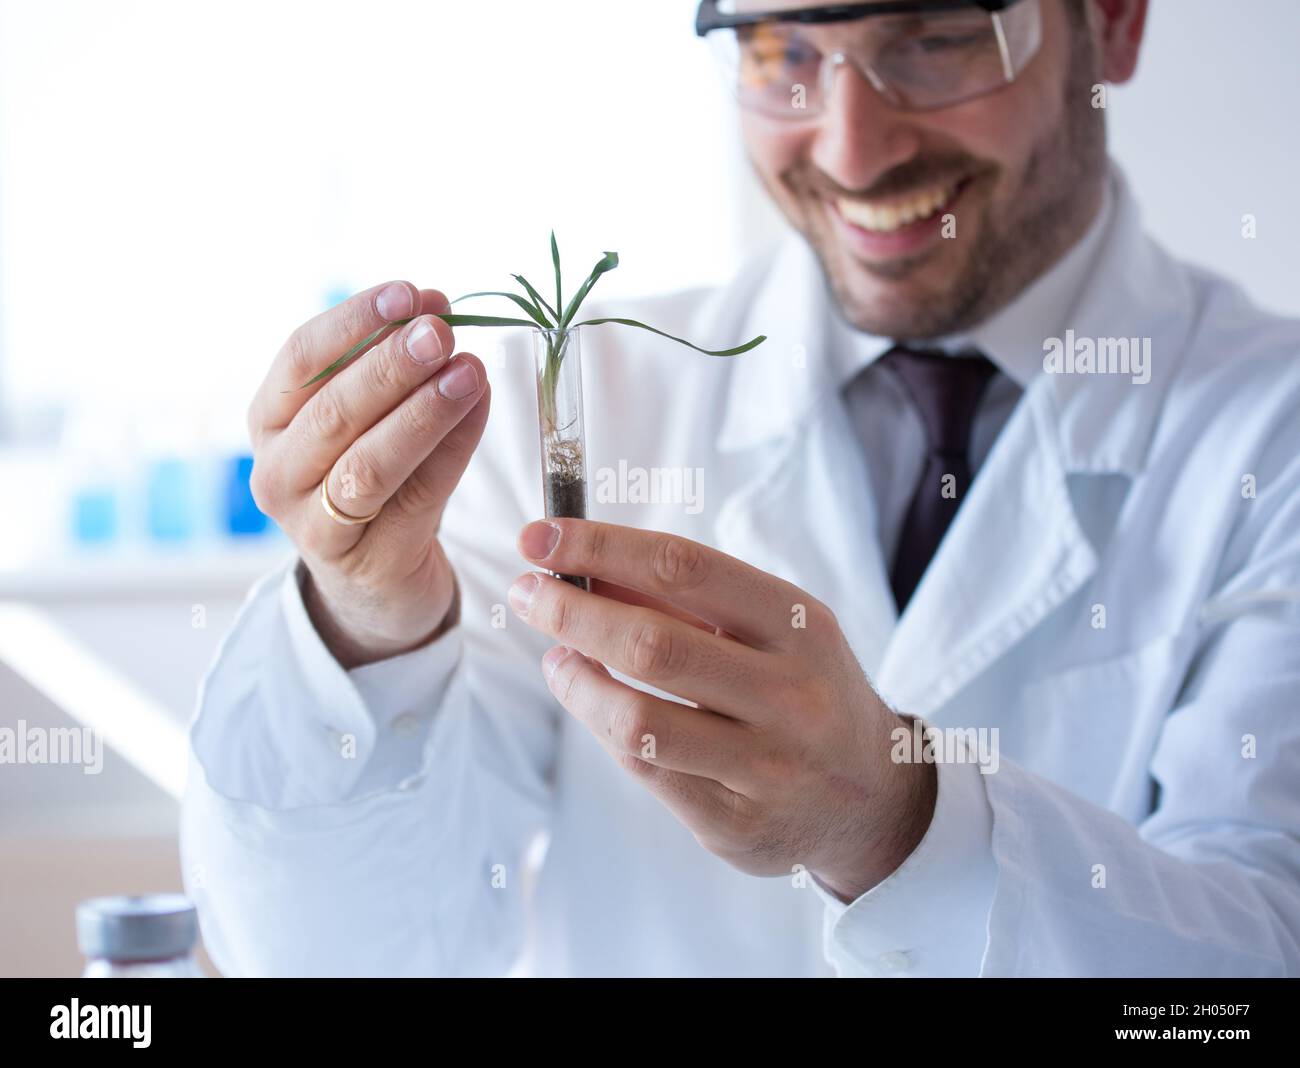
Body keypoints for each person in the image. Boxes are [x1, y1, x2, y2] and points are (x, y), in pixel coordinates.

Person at [181, 0, 1300, 977]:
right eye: (780, 48)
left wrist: (901, 826)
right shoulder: (575, 413)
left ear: (1112, 21)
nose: (854, 150)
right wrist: (367, 627)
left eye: (936, 37)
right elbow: (334, 960)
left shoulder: (1271, 431)